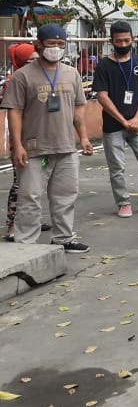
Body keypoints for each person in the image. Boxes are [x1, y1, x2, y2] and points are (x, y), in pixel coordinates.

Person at [2, 25, 92, 251]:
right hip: (34, 149)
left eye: (61, 45)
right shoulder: (23, 76)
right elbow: (15, 111)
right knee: (29, 198)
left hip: (65, 147)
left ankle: (64, 238)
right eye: (51, 44)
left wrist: (83, 138)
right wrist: (18, 145)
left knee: (66, 195)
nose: (56, 49)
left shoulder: (72, 74)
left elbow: (79, 108)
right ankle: (25, 244)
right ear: (39, 45)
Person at [93, 20, 138, 218]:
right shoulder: (104, 65)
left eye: (126, 40)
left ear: (132, 39)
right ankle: (123, 202)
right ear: (111, 41)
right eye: (119, 41)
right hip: (113, 126)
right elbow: (102, 96)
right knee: (117, 167)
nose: (123, 44)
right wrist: (123, 121)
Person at [4, 43, 41, 240]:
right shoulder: (15, 81)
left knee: (37, 183)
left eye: (37, 58)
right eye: (31, 60)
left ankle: (30, 220)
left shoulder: (41, 77)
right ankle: (12, 225)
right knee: (21, 184)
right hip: (23, 141)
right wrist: (17, 144)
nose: (36, 63)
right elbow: (14, 113)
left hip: (42, 139)